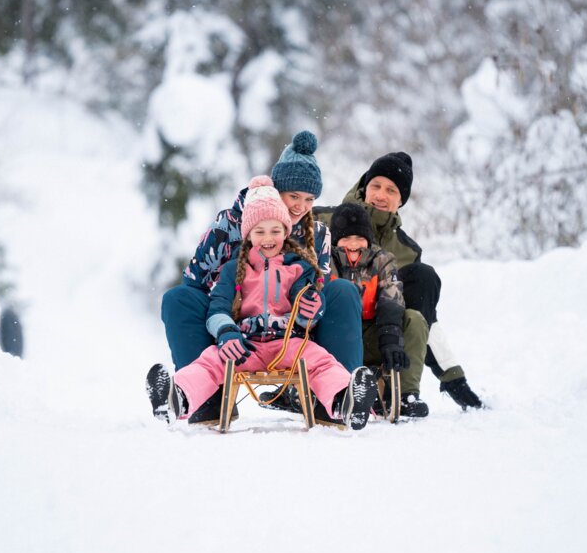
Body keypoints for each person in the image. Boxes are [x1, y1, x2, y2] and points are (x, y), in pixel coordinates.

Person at [159, 131, 363, 421]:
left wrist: (313, 306)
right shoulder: (228, 227)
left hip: (295, 331)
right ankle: (205, 399)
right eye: (293, 196)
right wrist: (225, 322)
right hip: (236, 330)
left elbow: (318, 289)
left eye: (309, 199)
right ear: (272, 189)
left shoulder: (317, 234)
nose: (300, 206)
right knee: (179, 298)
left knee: (342, 291)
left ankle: (340, 398)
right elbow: (195, 283)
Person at [319, 151, 485, 410]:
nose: (381, 195)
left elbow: (425, 318)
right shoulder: (322, 220)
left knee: (424, 277)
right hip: (327, 333)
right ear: (364, 187)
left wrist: (453, 378)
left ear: (401, 200)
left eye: (391, 190)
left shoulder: (407, 251)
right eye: (375, 185)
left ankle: (400, 391)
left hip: (381, 337)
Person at [327, 203, 430, 418]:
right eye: (346, 238)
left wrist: (391, 338)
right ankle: (335, 392)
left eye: (359, 238)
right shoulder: (326, 261)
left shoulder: (383, 260)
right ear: (336, 240)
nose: (353, 244)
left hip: (374, 334)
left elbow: (391, 298)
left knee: (414, 319)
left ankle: (405, 394)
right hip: (339, 337)